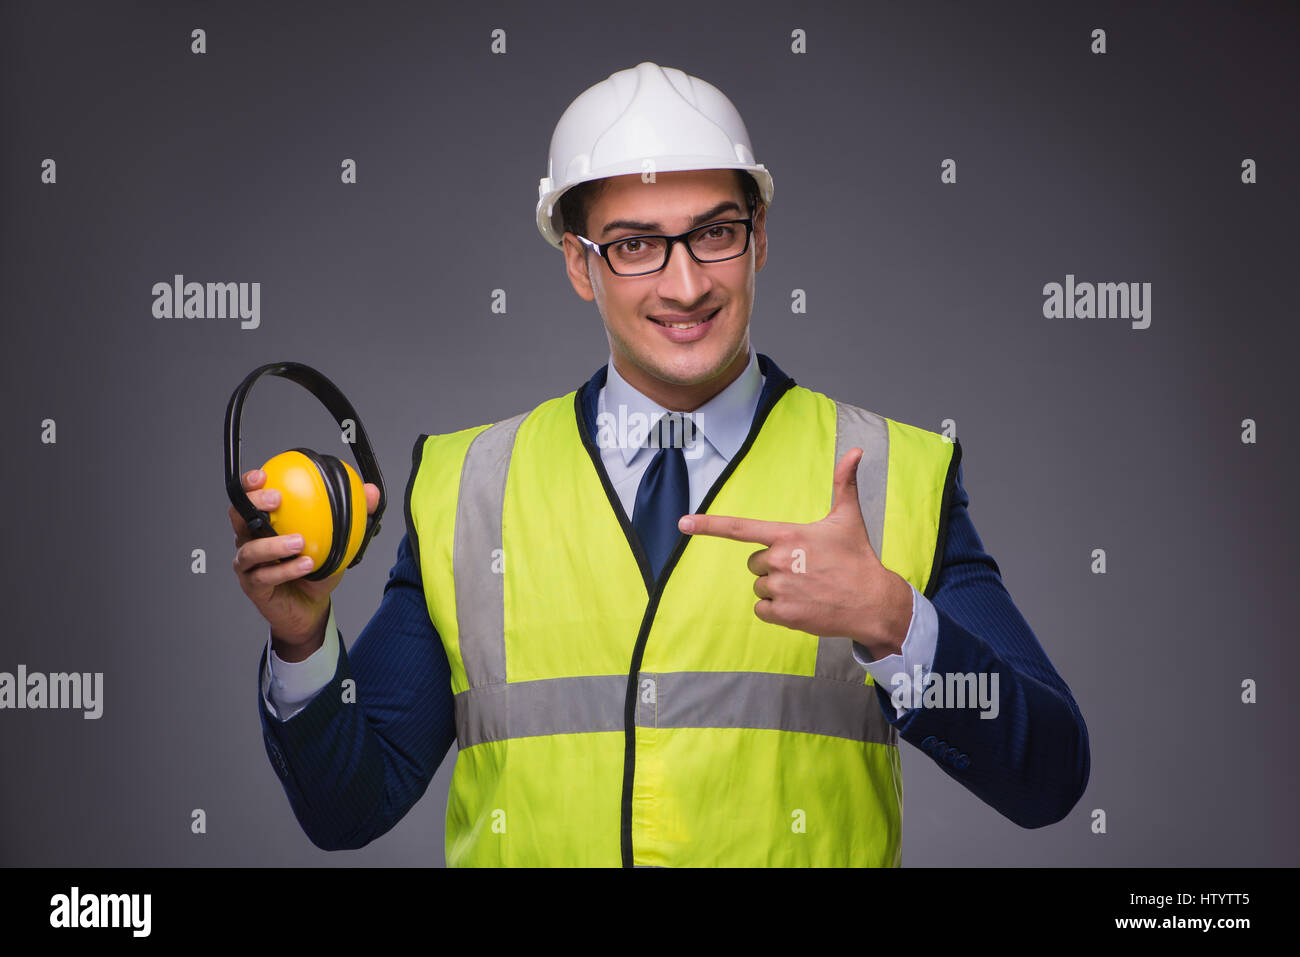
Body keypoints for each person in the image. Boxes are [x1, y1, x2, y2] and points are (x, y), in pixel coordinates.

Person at [230, 61, 1089, 867]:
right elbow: (351, 807)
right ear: (578, 263)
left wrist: (897, 622)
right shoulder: (466, 490)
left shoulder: (895, 474)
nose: (684, 286)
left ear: (758, 242)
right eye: (636, 245)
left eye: (715, 232)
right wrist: (304, 641)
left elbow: (1049, 777)